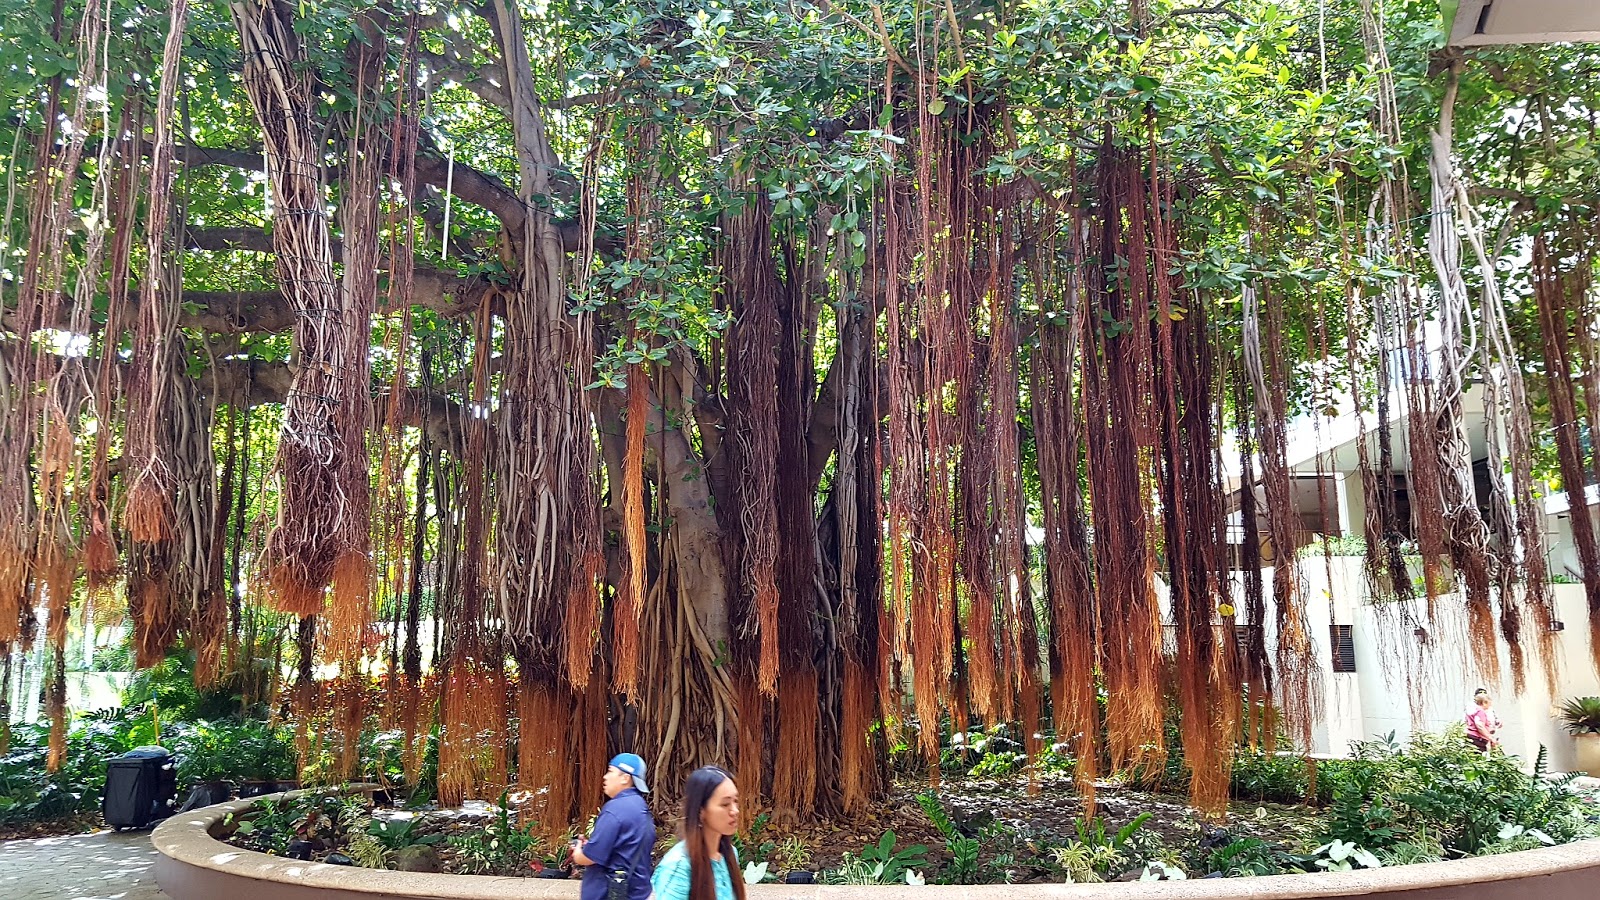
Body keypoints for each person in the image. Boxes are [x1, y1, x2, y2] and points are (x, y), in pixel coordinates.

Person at [650, 766, 746, 900]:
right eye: (725, 804)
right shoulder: (679, 865)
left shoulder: (729, 854)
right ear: (701, 811)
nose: (735, 811)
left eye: (735, 801)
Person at [571, 753, 657, 900]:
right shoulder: (642, 809)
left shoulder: (615, 809)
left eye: (610, 771)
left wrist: (578, 851)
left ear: (625, 778)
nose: (605, 777)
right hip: (637, 893)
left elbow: (590, 857)